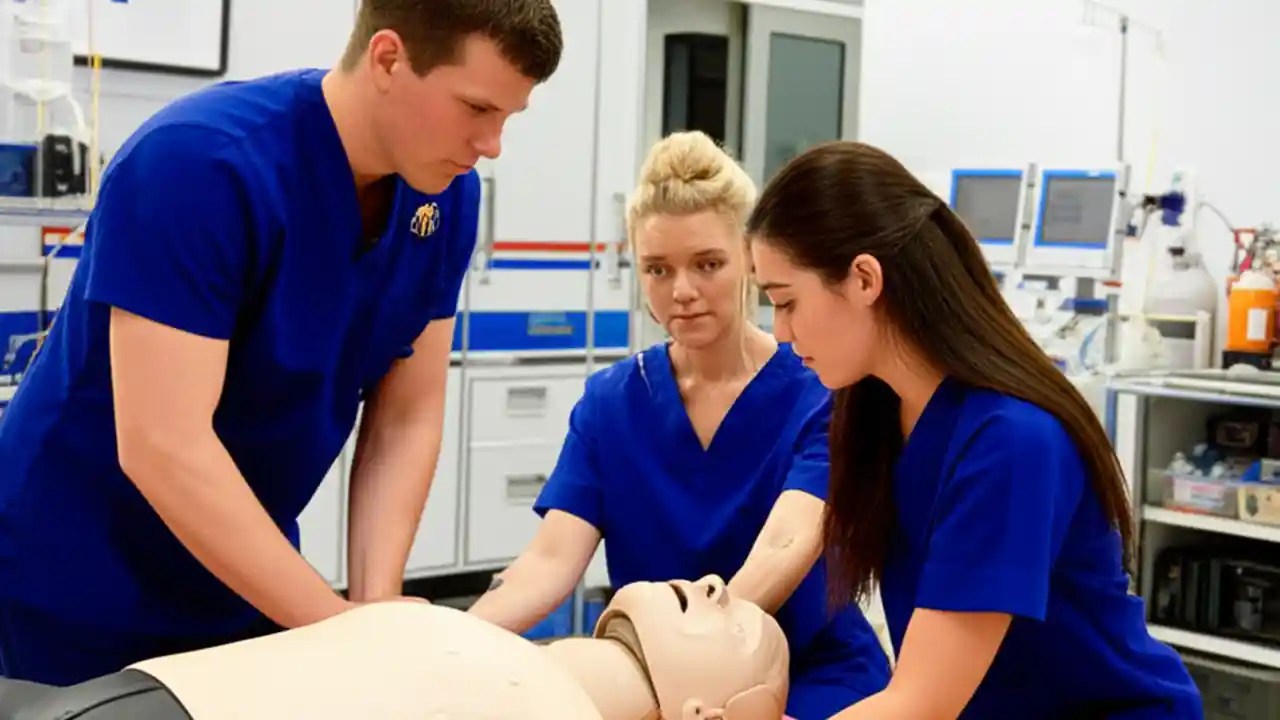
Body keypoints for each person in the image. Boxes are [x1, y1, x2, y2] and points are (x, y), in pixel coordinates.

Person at [0, 0, 564, 687]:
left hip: (243, 579)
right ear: (388, 58)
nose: (492, 144)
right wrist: (335, 626)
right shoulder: (198, 165)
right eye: (477, 108)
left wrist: (376, 603)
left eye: (509, 118)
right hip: (76, 578)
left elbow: (406, 412)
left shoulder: (443, 197)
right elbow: (163, 444)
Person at [746, 140, 1205, 719]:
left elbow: (920, 704)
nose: (782, 333)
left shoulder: (1009, 443)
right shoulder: (869, 414)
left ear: (864, 278)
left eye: (786, 302)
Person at [467, 131, 891, 719]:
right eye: (658, 269)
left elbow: (788, 542)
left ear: (750, 258)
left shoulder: (819, 391)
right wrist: (450, 644)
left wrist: (688, 663)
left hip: (807, 675)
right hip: (658, 678)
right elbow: (549, 562)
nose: (682, 292)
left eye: (708, 264)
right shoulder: (612, 403)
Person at [0, 575, 789, 720]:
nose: (720, 583)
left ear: (703, 713)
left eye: (740, 627)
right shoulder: (504, 657)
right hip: (140, 690)